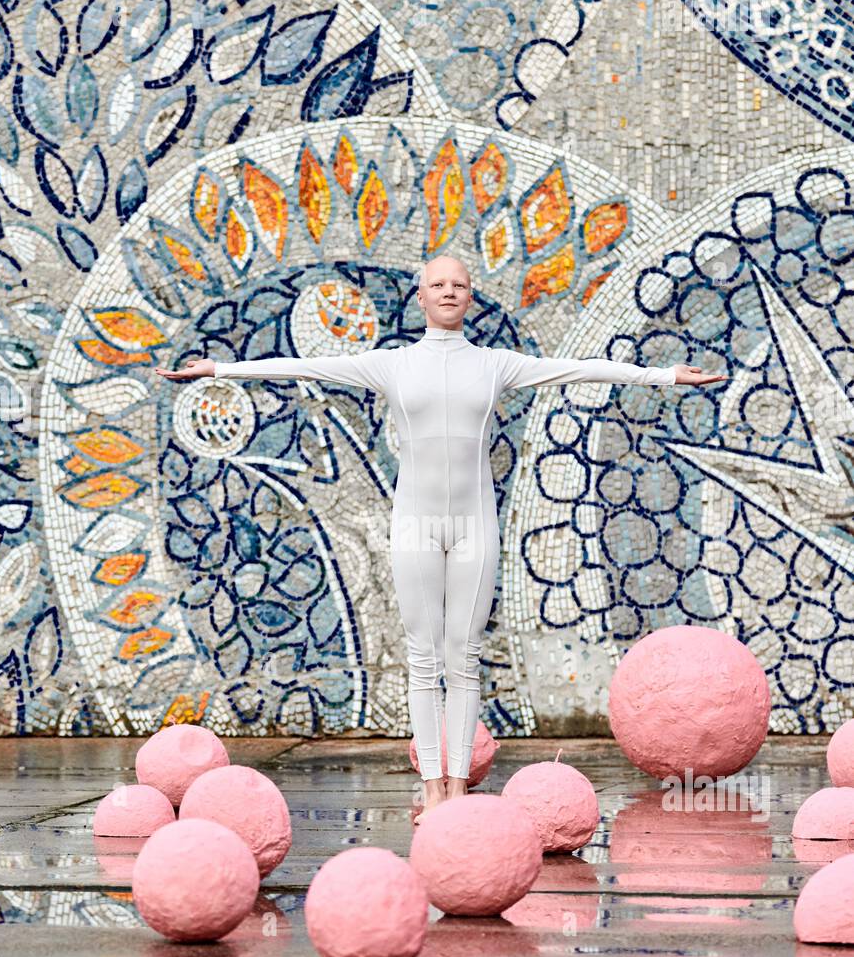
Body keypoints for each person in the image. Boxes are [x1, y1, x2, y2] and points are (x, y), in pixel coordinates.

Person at [155, 256, 725, 816]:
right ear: (421, 297)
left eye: (459, 284)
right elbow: (305, 366)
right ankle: (433, 787)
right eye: (438, 284)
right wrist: (218, 371)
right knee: (424, 659)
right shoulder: (393, 365)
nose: (449, 292)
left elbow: (579, 369)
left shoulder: (496, 364)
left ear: (469, 297)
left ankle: (458, 789)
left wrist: (666, 376)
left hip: (474, 526)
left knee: (464, 658)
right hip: (415, 527)